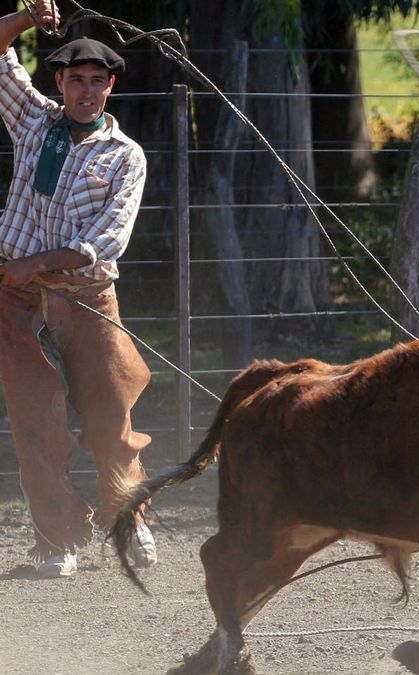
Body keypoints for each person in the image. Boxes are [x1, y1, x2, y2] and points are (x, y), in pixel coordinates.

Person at [0, 1, 155, 578]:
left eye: (97, 81)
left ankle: (131, 520)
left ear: (109, 86)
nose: (85, 91)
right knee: (35, 422)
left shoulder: (125, 156)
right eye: (75, 80)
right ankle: (56, 541)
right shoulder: (33, 121)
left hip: (88, 297)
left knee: (109, 418)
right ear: (59, 82)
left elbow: (107, 240)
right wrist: (22, 19)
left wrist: (37, 262)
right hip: (15, 302)